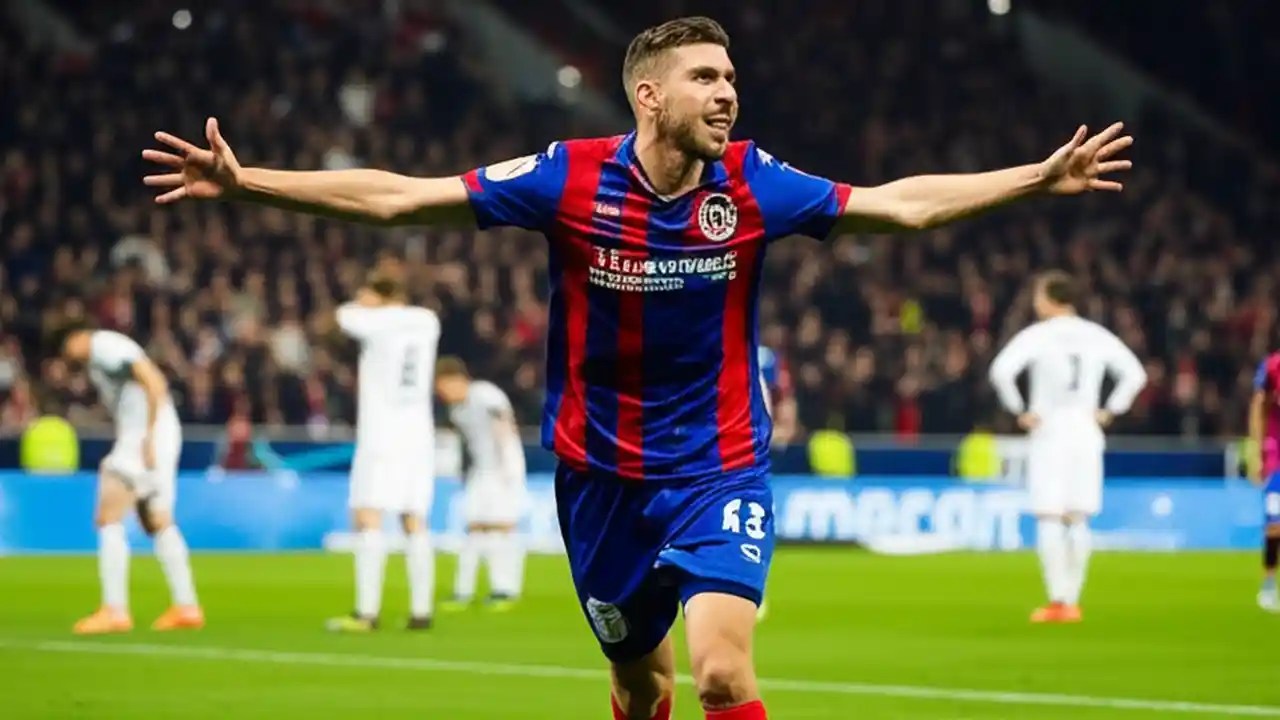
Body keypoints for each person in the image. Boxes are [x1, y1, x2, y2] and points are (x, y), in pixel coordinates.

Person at [142, 15, 1132, 719]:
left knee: (719, 679)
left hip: (718, 465)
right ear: (648, 95)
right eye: (706, 78)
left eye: (731, 79)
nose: (727, 93)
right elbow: (402, 199)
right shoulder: (567, 176)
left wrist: (1034, 180)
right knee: (639, 687)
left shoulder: (753, 180)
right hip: (598, 478)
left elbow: (898, 205)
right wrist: (248, 183)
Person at [989, 272, 1146, 623]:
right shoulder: (1096, 336)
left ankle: (1058, 600)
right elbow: (1135, 374)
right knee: (1078, 517)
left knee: (1049, 514)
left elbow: (1001, 371)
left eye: (1038, 295)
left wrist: (1019, 410)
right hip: (1086, 428)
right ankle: (1072, 600)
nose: (1034, 302)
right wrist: (1111, 409)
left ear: (1049, 299)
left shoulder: (1038, 336)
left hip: (1050, 427)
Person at [53, 322, 203, 634]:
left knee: (108, 516)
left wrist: (147, 435)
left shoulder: (106, 346)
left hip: (145, 436)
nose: (68, 354)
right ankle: (187, 606)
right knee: (157, 520)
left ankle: (114, 609)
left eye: (68, 344)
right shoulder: (98, 362)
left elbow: (153, 380)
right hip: (160, 433)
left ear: (80, 335)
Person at [327, 273, 441, 632]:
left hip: (380, 433)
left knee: (368, 516)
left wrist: (365, 302)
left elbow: (341, 317)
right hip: (419, 434)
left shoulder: (372, 322)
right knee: (414, 519)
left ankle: (366, 612)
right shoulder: (427, 321)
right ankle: (421, 611)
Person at [435, 357, 528, 612]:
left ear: (457, 378)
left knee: (502, 528)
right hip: (480, 471)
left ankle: (506, 589)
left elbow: (505, 429)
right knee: (474, 527)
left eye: (443, 386)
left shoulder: (485, 395)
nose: (442, 394)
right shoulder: (457, 410)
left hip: (503, 468)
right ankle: (463, 591)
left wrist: (509, 469)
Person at [1248, 351, 1280, 612]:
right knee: (1274, 524)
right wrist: (1255, 452)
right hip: (1276, 456)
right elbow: (1259, 404)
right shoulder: (1273, 366)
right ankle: (1269, 585)